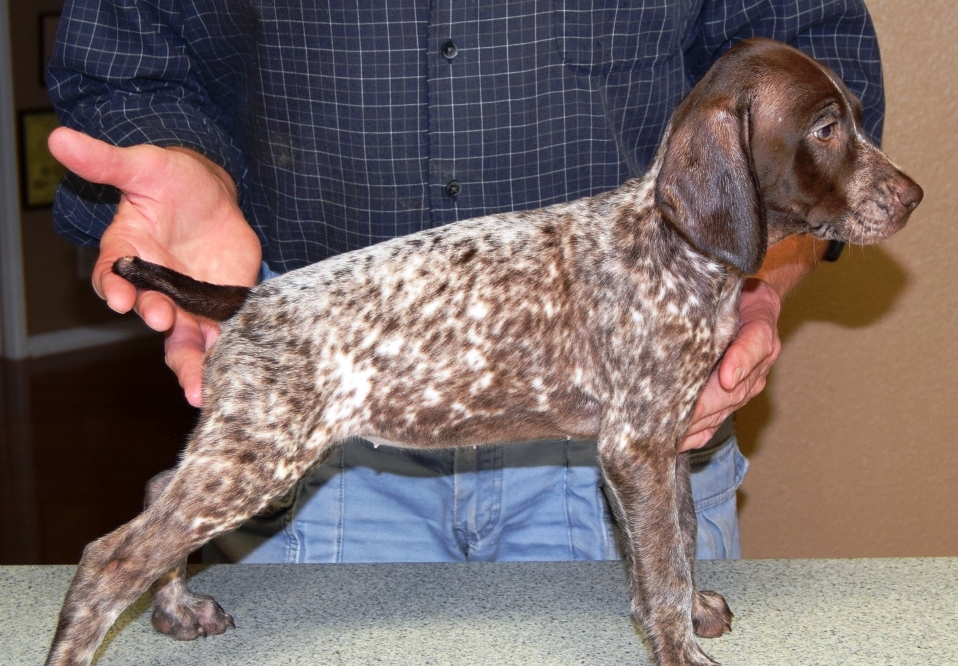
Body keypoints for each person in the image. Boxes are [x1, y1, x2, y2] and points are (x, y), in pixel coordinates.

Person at [46, 0, 884, 564]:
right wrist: (189, 160)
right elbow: (129, 60)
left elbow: (808, 54)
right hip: (327, 407)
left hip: (637, 413)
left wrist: (758, 280)